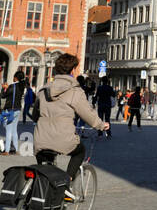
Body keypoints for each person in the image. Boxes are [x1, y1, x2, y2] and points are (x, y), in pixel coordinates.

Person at [33, 52, 109, 186]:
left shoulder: (43, 89)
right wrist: (101, 125)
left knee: (45, 169)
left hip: (40, 139)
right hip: (63, 138)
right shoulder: (75, 91)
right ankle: (67, 183)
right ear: (73, 70)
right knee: (80, 151)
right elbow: (87, 113)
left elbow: (35, 115)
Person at [0, 78, 24, 154]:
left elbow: (3, 96)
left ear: (16, 77)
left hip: (10, 110)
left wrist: (4, 88)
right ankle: (16, 150)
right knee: (14, 130)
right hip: (18, 109)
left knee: (8, 130)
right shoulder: (21, 86)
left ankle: (7, 151)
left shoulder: (12, 86)